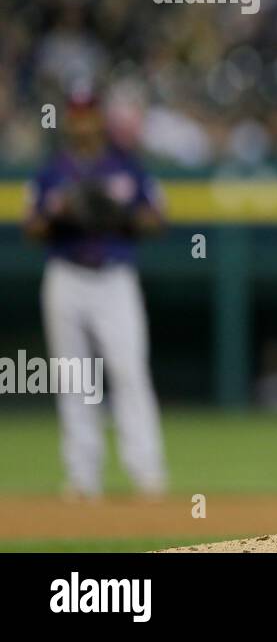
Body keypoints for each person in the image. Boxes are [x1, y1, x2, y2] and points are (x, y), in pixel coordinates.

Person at [23, 90, 168, 499]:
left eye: (89, 113)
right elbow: (30, 226)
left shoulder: (126, 166)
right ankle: (82, 477)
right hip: (66, 274)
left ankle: (147, 474)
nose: (83, 121)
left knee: (128, 371)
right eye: (77, 114)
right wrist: (58, 213)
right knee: (73, 379)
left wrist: (119, 213)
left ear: (100, 117)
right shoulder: (53, 171)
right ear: (69, 119)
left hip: (114, 278)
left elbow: (158, 218)